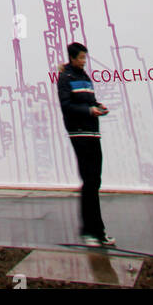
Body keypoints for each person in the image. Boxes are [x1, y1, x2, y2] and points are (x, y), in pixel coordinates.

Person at [57, 41, 116, 247]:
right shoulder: (65, 78)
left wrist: (98, 106)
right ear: (72, 58)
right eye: (81, 57)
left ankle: (98, 232)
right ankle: (89, 231)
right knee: (89, 181)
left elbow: (89, 100)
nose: (84, 61)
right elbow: (67, 106)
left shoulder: (85, 77)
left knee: (95, 181)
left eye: (85, 57)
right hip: (79, 133)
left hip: (93, 133)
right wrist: (88, 111)